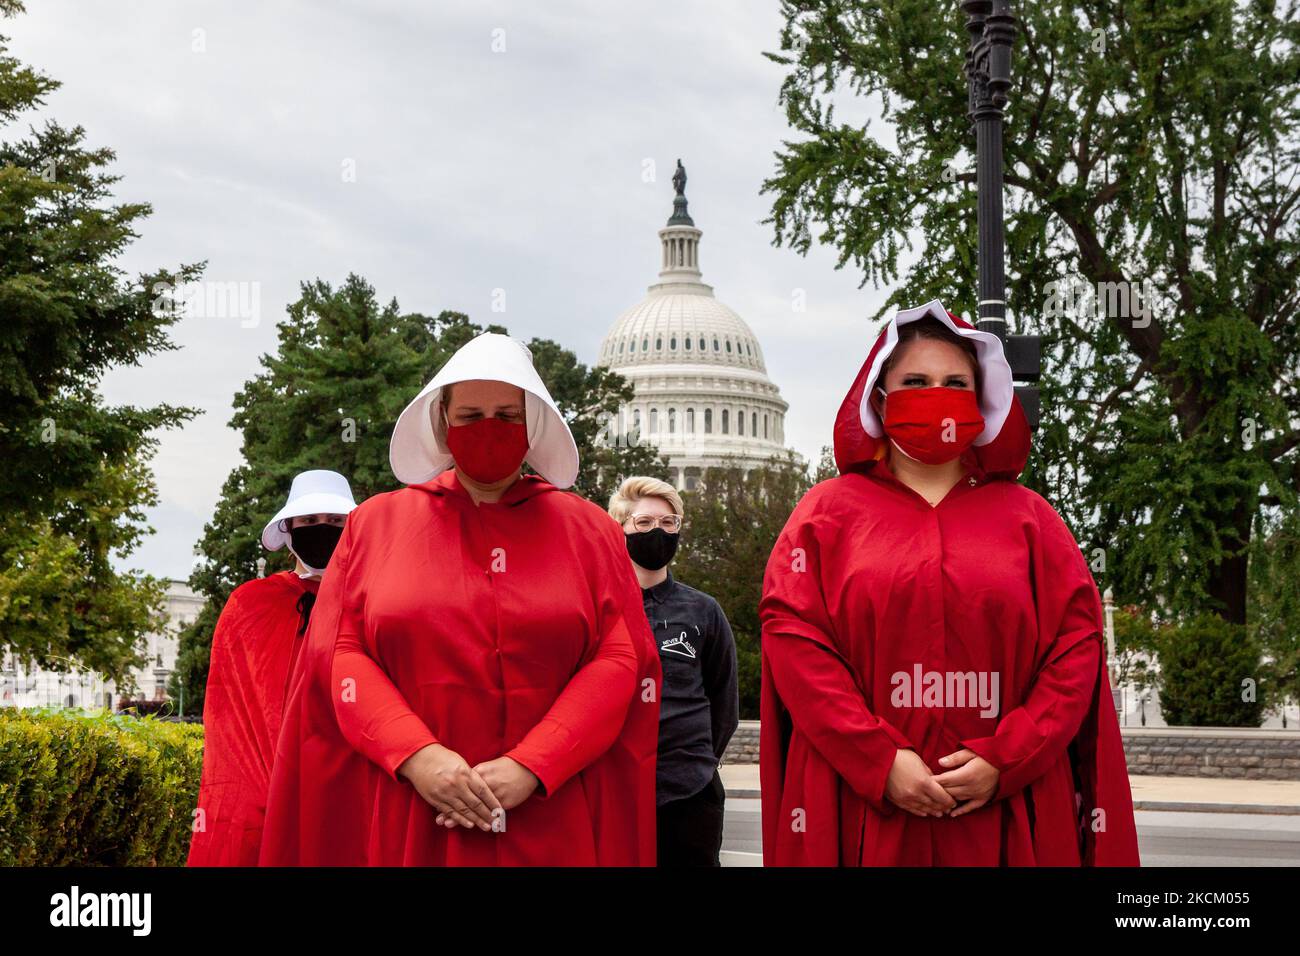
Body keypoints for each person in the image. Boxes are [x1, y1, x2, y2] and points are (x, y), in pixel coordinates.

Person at [759, 300, 1139, 866]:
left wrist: (1006, 758)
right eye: (915, 381)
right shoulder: (825, 516)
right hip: (866, 809)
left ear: (980, 398)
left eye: (954, 382)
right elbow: (795, 641)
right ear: (880, 398)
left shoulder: (1031, 519)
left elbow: (1075, 647)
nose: (935, 393)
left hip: (1008, 814)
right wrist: (879, 760)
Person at [259, 332, 661, 866]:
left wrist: (533, 764)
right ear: (442, 422)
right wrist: (418, 757)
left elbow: (619, 658)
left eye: (506, 415)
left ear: (533, 423)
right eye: (470, 416)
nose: (488, 429)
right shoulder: (375, 525)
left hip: (549, 809)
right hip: (411, 804)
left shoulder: (590, 531)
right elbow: (337, 653)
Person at [187, 469, 357, 867]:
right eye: (310, 522)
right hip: (257, 792)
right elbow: (227, 711)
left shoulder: (374, 600)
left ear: (353, 530)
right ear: (289, 529)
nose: (323, 530)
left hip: (344, 783)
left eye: (335, 522)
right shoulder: (250, 604)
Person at [609, 476, 739, 867]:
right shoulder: (601, 607)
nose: (658, 532)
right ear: (621, 531)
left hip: (689, 792)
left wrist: (698, 761)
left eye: (669, 524)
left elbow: (724, 702)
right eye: (644, 523)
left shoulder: (704, 611)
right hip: (616, 788)